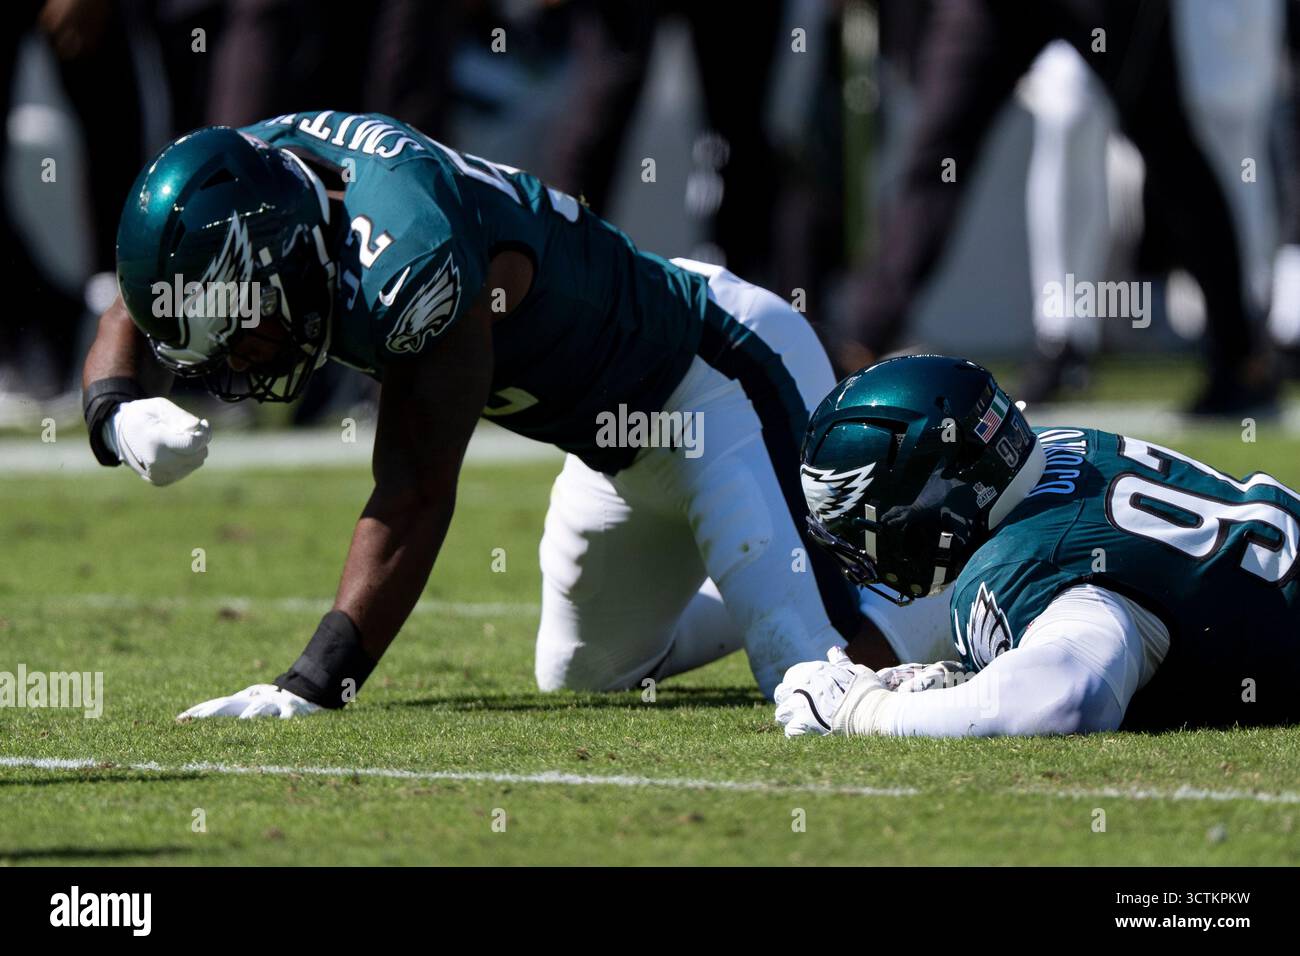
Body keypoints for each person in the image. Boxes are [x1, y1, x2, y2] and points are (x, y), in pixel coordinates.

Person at [82, 111, 951, 719]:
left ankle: (971, 567)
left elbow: (417, 488)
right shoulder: (258, 181)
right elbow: (139, 289)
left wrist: (314, 682)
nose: (239, 360)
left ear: (297, 258)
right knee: (588, 672)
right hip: (610, 441)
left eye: (249, 331)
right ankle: (770, 562)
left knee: (823, 676)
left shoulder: (410, 258)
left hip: (712, 377)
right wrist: (115, 414)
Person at [776, 355, 1300, 737]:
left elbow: (1069, 700)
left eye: (859, 525)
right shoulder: (1058, 447)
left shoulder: (1023, 561)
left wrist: (865, 713)